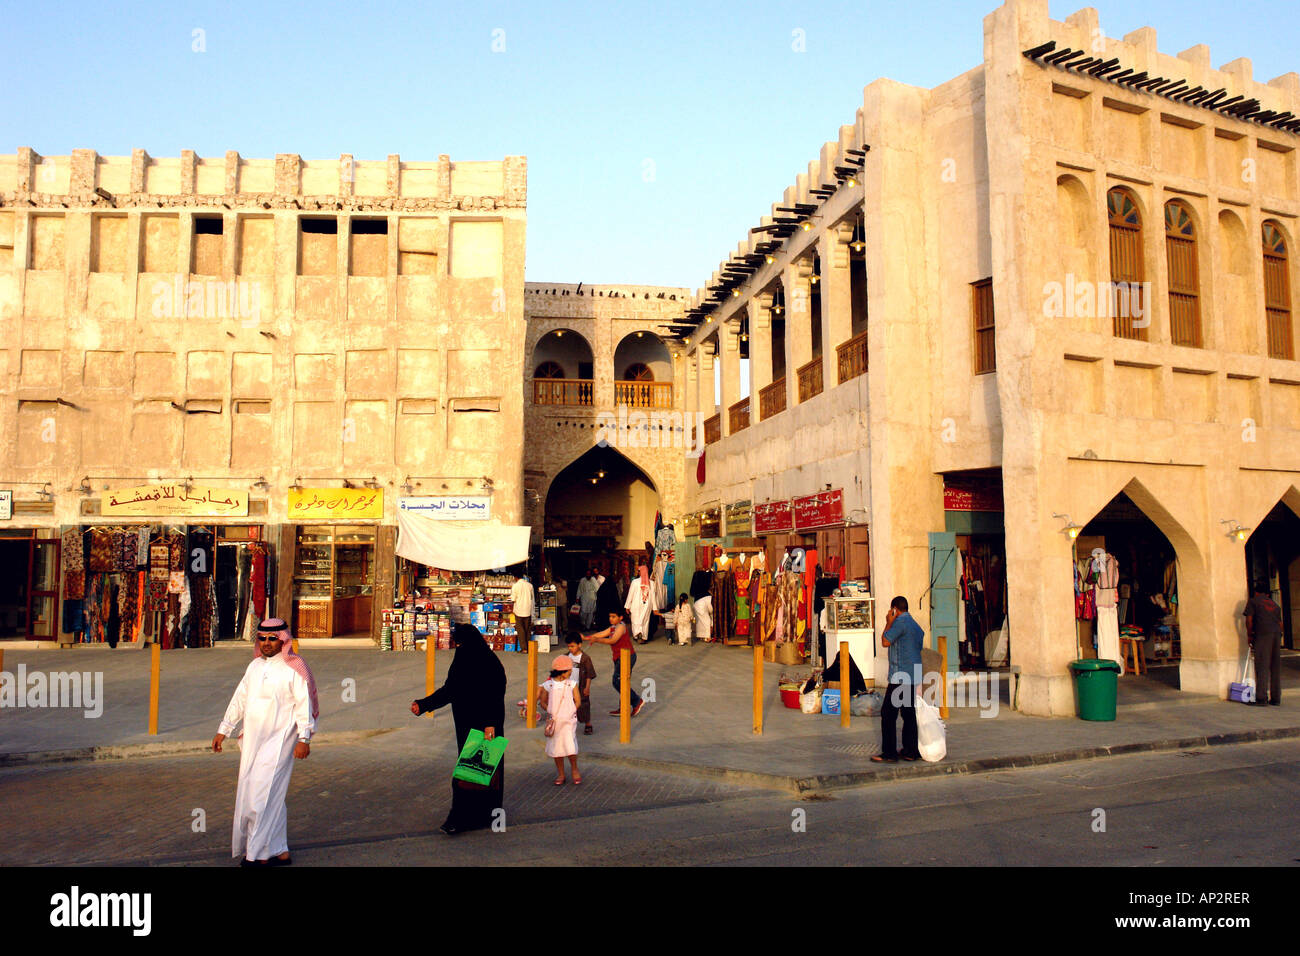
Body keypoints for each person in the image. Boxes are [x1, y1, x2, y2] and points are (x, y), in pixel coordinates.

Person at [212, 618, 319, 866]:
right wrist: (224, 730)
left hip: (281, 740)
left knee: (262, 796)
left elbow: (305, 705)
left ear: (283, 639)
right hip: (252, 741)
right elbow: (240, 699)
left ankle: (255, 855)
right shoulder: (255, 667)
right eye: (263, 638)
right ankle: (280, 851)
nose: (267, 643)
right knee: (263, 794)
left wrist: (304, 738)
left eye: (273, 639)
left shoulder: (295, 667)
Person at [410, 623, 507, 835]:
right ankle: (471, 817)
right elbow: (450, 690)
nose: (459, 647)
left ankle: (465, 819)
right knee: (470, 772)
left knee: (479, 773)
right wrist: (424, 705)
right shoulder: (462, 660)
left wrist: (490, 723)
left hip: (485, 728)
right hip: (465, 726)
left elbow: (495, 693)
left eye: (461, 643)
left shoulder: (490, 663)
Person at [872, 596, 924, 763]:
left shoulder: (899, 623)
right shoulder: (915, 626)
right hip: (912, 675)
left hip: (900, 676)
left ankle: (889, 753)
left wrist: (889, 621)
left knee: (888, 714)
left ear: (894, 609)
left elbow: (885, 641)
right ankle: (911, 751)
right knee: (908, 714)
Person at [587, 608, 644, 718]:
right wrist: (586, 637)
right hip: (619, 657)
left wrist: (597, 640)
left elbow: (612, 640)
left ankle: (636, 701)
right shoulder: (613, 627)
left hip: (627, 656)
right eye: (610, 617)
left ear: (620, 617)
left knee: (617, 681)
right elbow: (601, 633)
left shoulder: (621, 627)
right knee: (622, 681)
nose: (611, 619)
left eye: (613, 617)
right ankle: (624, 708)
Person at [541, 656, 582, 785]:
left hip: (569, 722)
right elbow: (542, 701)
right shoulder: (549, 685)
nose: (571, 672)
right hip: (555, 722)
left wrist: (571, 711)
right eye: (569, 670)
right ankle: (561, 773)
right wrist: (550, 711)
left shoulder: (572, 684)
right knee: (557, 748)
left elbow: (578, 700)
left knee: (570, 746)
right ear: (562, 671)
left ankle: (574, 770)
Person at [1244, 579, 1283, 706]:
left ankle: (1261, 698)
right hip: (1276, 635)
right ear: (1267, 594)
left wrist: (1249, 635)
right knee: (1275, 666)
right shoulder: (1275, 605)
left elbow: (1249, 620)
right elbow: (1280, 624)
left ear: (1256, 592)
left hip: (1263, 634)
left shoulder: (1253, 601)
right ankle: (1276, 698)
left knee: (1262, 665)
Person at [566, 632, 598, 735]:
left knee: (583, 704)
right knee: (568, 704)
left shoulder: (585, 658)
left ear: (579, 645)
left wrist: (587, 687)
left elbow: (589, 674)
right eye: (569, 646)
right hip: (568, 686)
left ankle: (588, 724)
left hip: (581, 685)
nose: (571, 648)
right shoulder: (566, 657)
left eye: (573, 646)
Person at [625, 561, 655, 644]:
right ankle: (643, 636)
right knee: (645, 621)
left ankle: (637, 634)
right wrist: (655, 608)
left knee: (635, 620)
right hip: (647, 605)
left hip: (635, 605)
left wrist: (627, 606)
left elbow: (630, 594)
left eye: (638, 571)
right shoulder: (651, 583)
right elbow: (653, 597)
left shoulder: (635, 582)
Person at [510, 571, 535, 653]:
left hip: (519, 610)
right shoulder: (530, 585)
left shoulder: (515, 586)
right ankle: (527, 647)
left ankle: (524, 648)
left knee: (520, 630)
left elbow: (513, 599)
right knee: (527, 629)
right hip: (528, 610)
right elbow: (532, 599)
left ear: (516, 578)